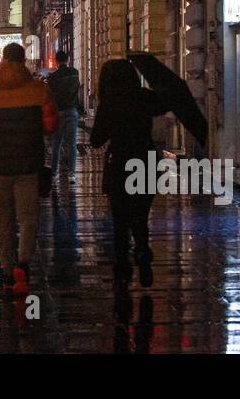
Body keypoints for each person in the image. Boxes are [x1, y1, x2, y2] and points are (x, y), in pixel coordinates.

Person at [0, 42, 58, 296]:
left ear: (2, 60)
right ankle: (24, 261)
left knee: (3, 217)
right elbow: (51, 126)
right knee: (28, 216)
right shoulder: (38, 90)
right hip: (29, 161)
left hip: (0, 163)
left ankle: (6, 266)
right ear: (23, 60)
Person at [92, 58, 171, 289]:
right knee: (140, 215)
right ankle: (143, 251)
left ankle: (122, 267)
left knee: (120, 220)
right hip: (146, 160)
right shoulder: (145, 97)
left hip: (120, 164)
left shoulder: (109, 103)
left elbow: (96, 139)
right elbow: (166, 102)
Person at [46, 50, 84, 185]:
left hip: (58, 112)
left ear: (56, 61)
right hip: (72, 110)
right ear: (68, 60)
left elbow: (50, 96)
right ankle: (72, 175)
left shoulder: (52, 77)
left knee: (57, 144)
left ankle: (54, 173)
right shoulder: (74, 73)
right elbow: (76, 89)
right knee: (71, 144)